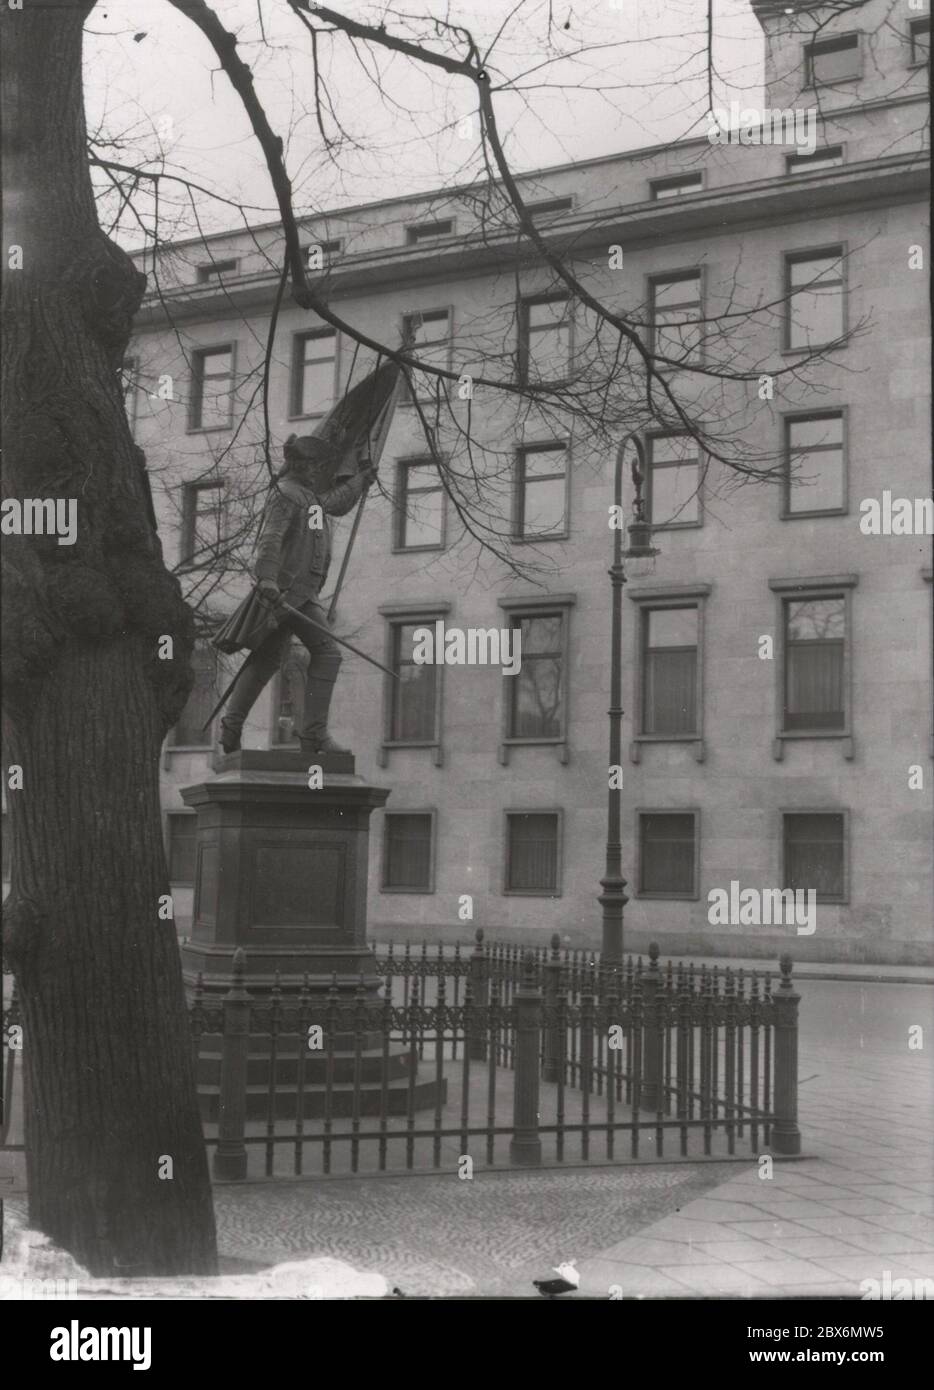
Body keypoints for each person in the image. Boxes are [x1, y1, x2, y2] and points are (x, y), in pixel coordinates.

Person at [217, 434, 376, 756]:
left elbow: (331, 504)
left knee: (266, 659)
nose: (318, 471)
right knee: (327, 654)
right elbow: (271, 539)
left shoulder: (306, 496)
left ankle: (231, 727)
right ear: (299, 464)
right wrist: (267, 578)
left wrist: (359, 482)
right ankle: (313, 736)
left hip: (303, 592)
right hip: (288, 592)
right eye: (313, 465)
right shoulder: (286, 494)